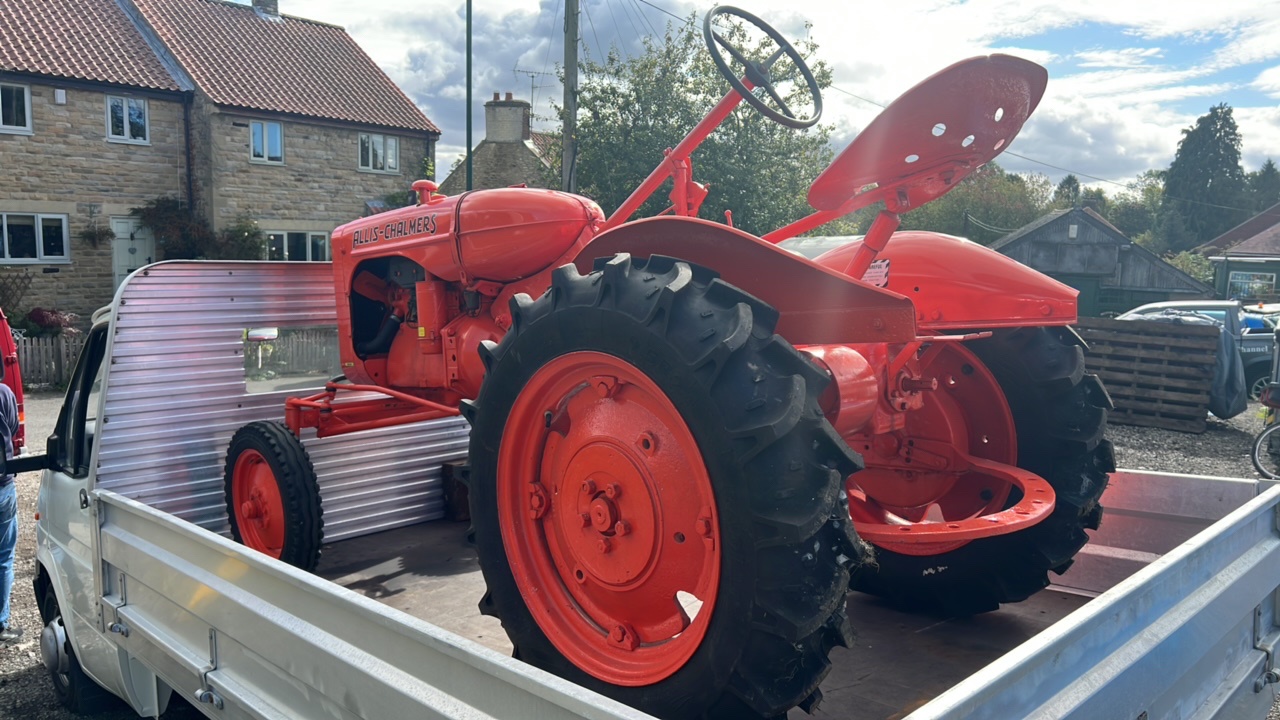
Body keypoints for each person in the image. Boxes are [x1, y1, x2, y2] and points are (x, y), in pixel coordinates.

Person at [0, 380, 20, 644]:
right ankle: (1, 624)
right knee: (4, 555)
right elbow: (13, 428)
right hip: (2, 486)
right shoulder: (4, 392)